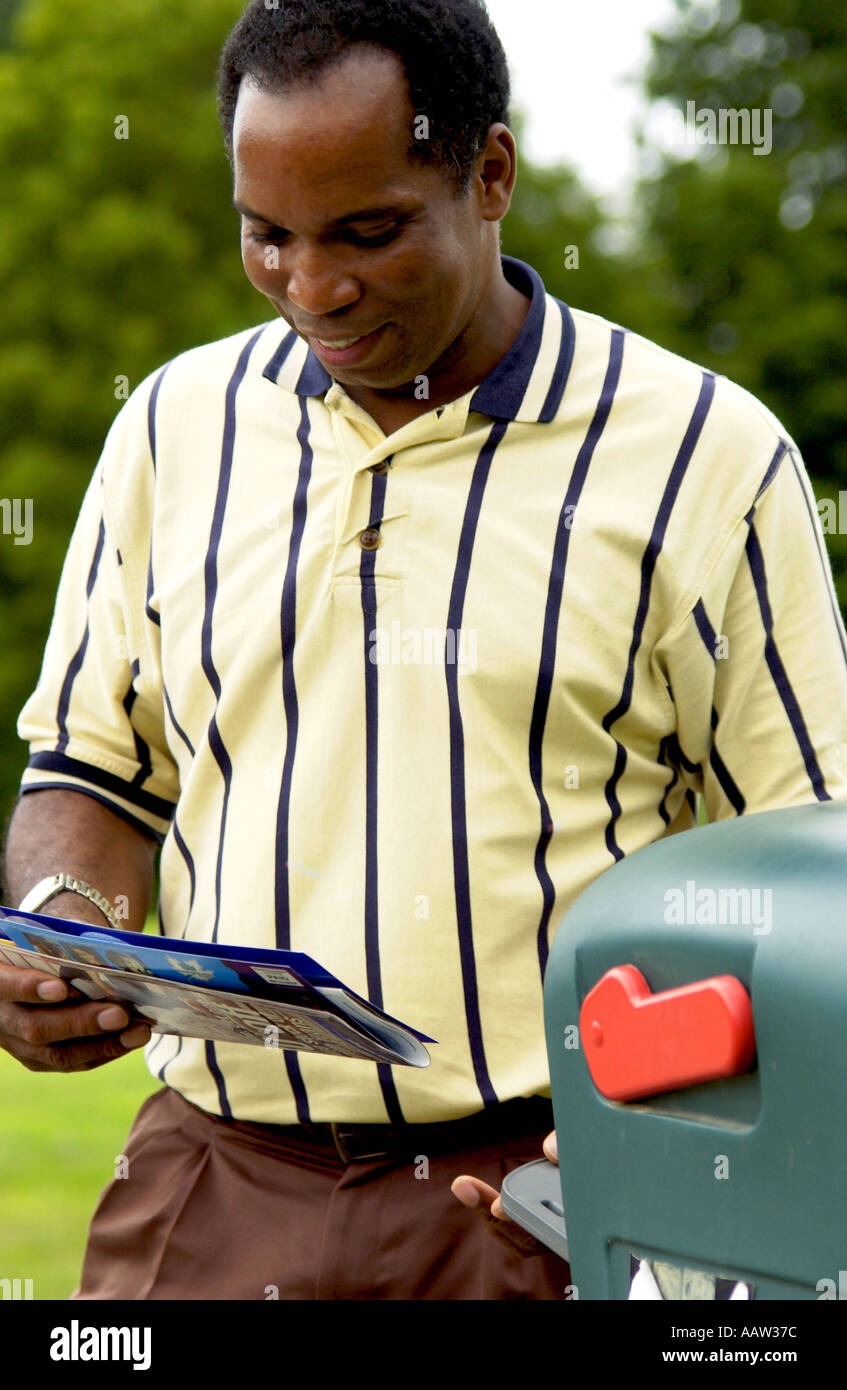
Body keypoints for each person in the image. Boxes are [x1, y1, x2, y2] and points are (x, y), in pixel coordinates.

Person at [2, 0, 846, 1301]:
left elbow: (810, 864)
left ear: (490, 174)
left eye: (369, 232)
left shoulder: (705, 458)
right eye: (266, 235)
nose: (312, 287)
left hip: (540, 1191)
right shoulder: (170, 430)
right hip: (211, 1182)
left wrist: (667, 1126)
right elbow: (93, 768)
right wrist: (70, 930)